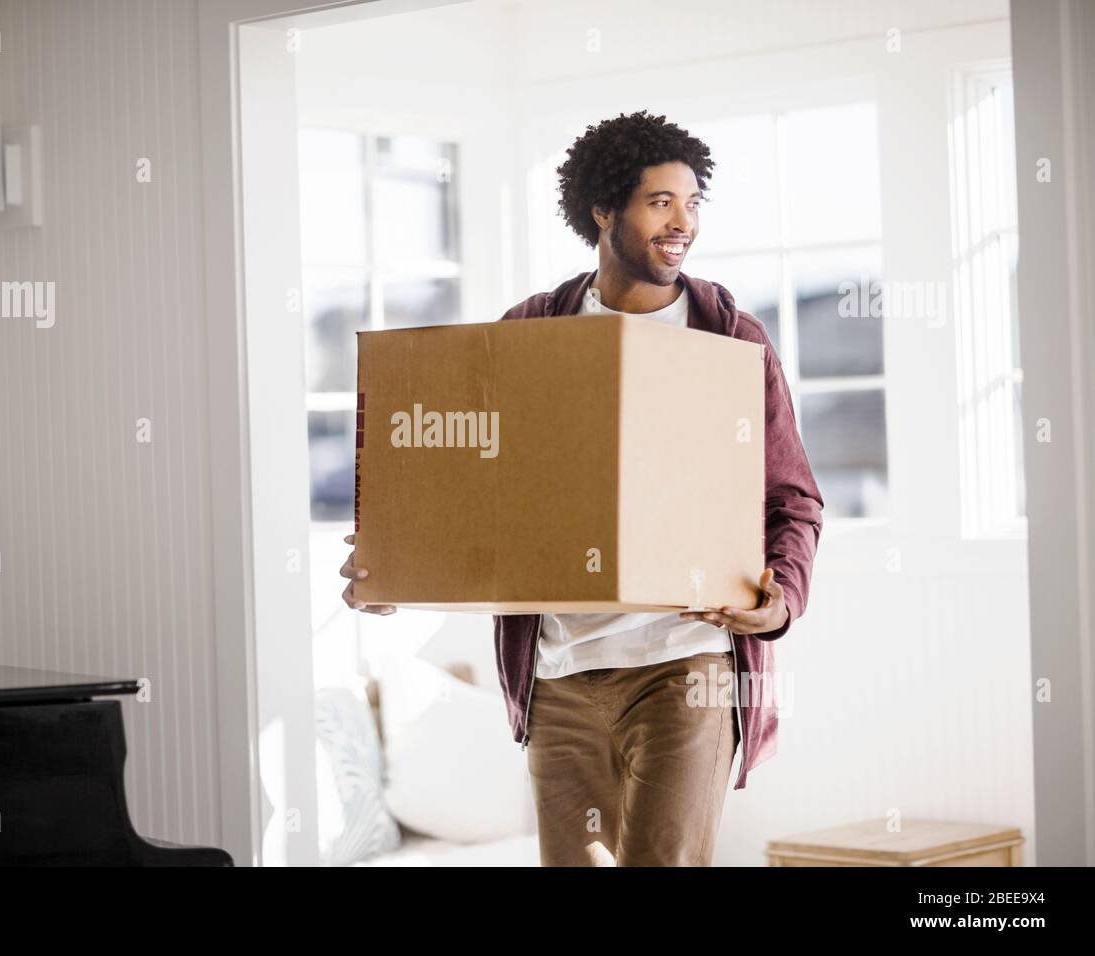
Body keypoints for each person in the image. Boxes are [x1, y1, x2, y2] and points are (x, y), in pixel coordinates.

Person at [340, 110, 823, 866]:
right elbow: (469, 483)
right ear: (604, 210)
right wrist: (393, 561)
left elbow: (792, 498)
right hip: (560, 675)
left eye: (693, 203)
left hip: (683, 666)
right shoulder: (532, 332)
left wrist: (778, 601)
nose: (682, 223)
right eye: (660, 202)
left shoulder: (730, 337)